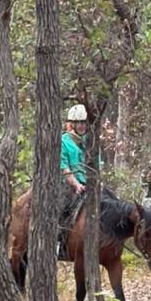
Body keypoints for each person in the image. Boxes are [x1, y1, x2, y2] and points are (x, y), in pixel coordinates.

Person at [58, 104, 90, 258]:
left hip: (89, 184)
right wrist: (76, 184)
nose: (82, 126)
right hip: (69, 185)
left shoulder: (89, 141)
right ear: (72, 124)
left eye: (84, 122)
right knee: (64, 209)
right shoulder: (63, 141)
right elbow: (64, 167)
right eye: (79, 123)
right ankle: (60, 244)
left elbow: (96, 164)